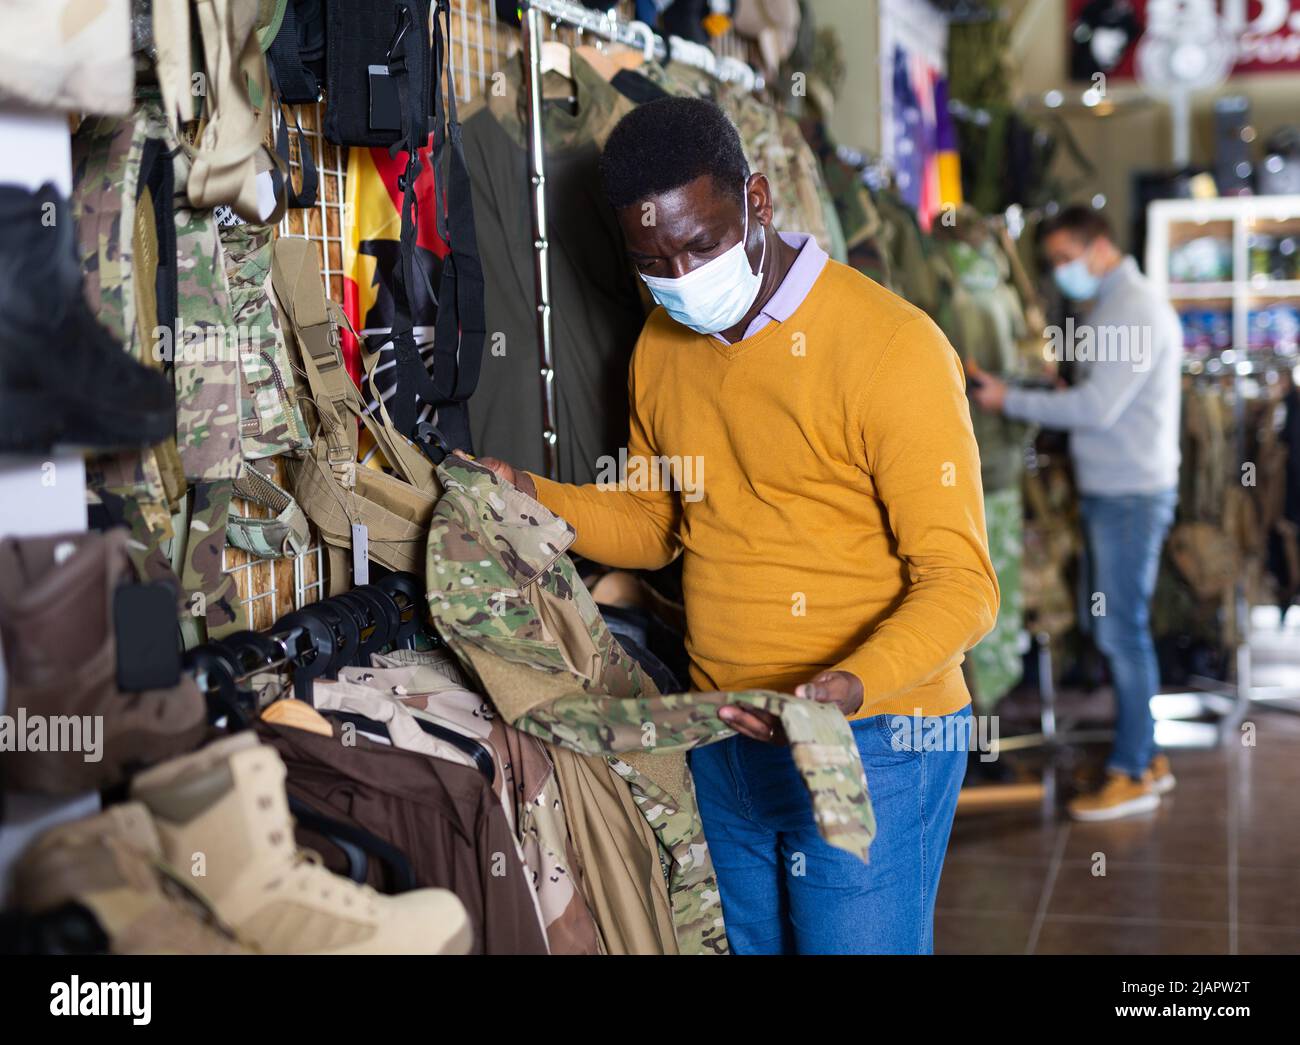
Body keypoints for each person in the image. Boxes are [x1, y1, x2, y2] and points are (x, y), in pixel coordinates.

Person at [468, 96, 998, 954]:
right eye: (654, 261)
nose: (681, 275)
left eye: (701, 244)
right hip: (722, 730)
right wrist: (530, 491)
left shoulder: (893, 348)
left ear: (758, 199)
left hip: (874, 739)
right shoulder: (658, 346)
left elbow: (964, 586)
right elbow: (657, 520)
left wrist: (847, 686)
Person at [968, 204, 1184, 822]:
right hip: (1118, 490)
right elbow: (1089, 395)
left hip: (1129, 495)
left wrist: (1009, 400)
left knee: (1121, 631)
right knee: (1117, 626)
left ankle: (1132, 770)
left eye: (1066, 259)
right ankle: (1143, 757)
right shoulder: (1115, 305)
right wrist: (1027, 389)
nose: (1062, 271)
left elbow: (1095, 409)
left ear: (1099, 247)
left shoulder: (1133, 309)